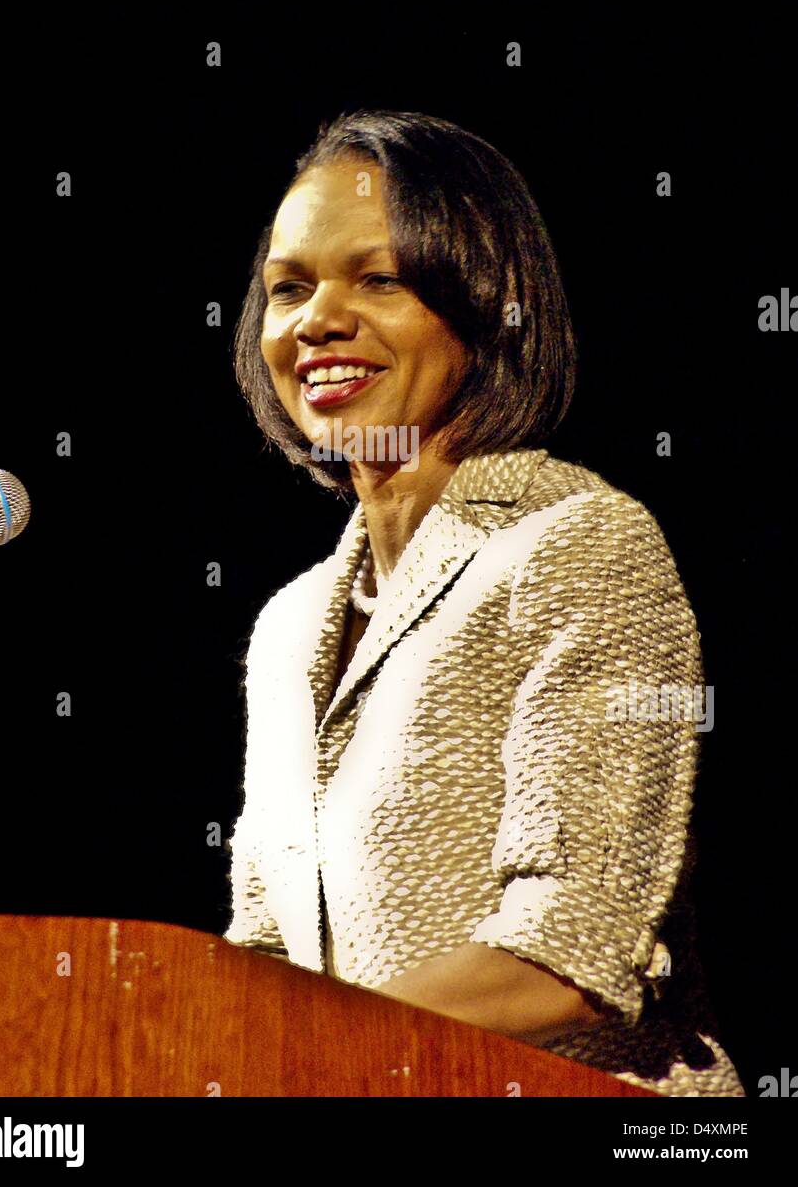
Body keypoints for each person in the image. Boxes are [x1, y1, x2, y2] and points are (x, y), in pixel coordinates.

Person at [222, 108, 745, 1097]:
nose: (317, 319)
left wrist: (290, 1057)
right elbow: (264, 951)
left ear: (487, 303)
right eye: (288, 288)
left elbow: (573, 951)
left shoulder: (581, 546)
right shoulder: (288, 627)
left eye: (377, 277)